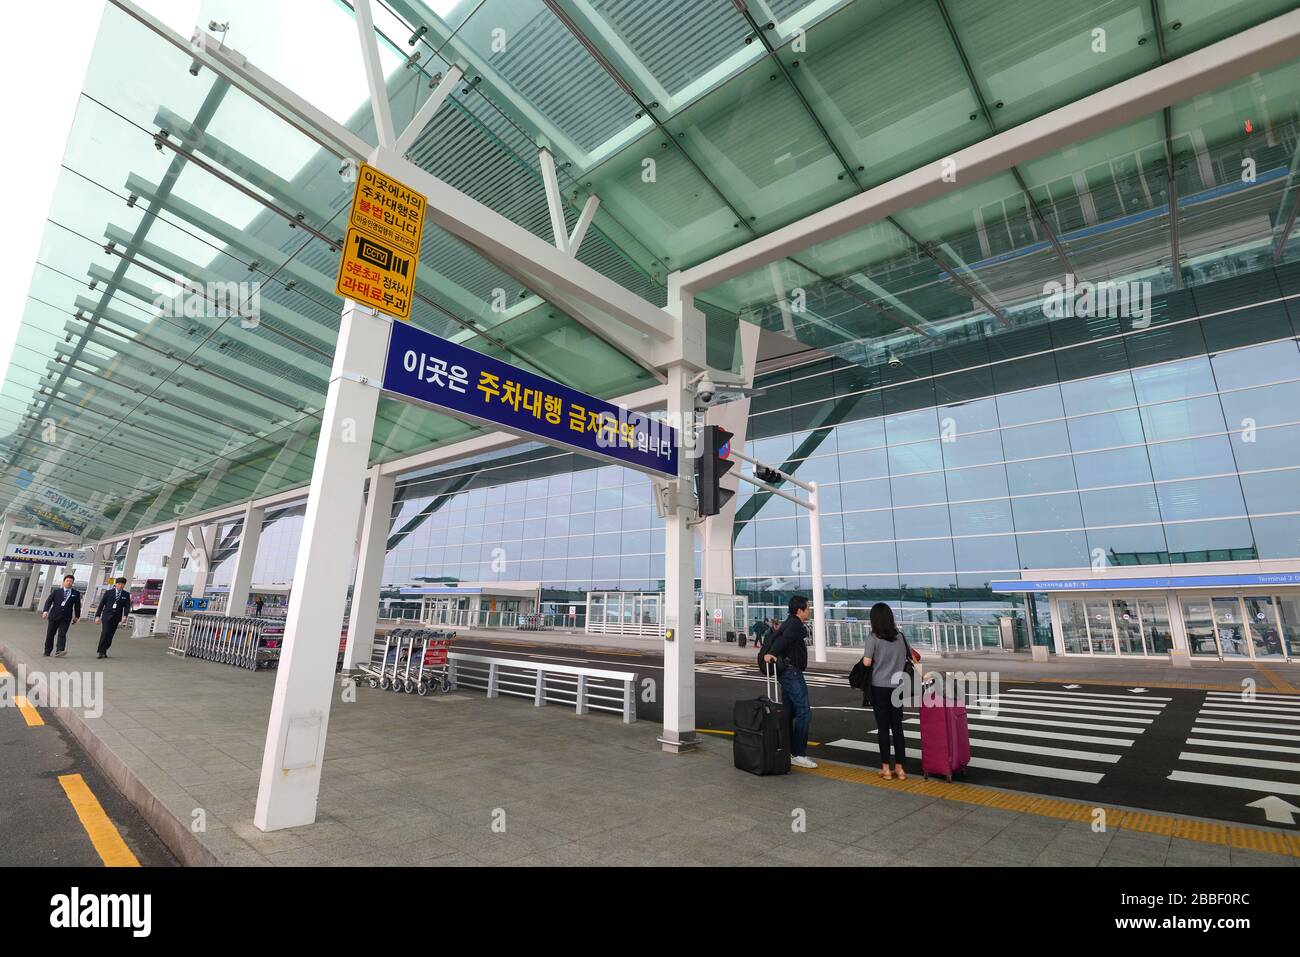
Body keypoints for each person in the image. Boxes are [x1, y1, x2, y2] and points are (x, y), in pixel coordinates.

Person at [860, 602, 920, 780]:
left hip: (879, 687)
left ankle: (886, 769)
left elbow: (866, 663)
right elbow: (913, 658)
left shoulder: (873, 638)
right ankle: (901, 769)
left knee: (883, 728)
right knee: (898, 727)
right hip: (898, 688)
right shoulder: (900, 636)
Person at [763, 595, 817, 769]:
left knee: (789, 711)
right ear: (800, 610)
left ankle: (786, 748)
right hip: (791, 672)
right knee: (804, 711)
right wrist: (771, 652)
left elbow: (784, 639)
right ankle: (798, 753)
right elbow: (783, 640)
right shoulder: (794, 623)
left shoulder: (791, 623)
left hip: (788, 672)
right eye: (807, 608)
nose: (809, 610)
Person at [41, 573, 81, 658]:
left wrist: (77, 617)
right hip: (54, 616)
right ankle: (47, 650)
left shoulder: (76, 593)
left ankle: (60, 650)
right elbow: (48, 601)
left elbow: (77, 605)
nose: (69, 582)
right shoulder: (56, 591)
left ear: (73, 583)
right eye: (67, 581)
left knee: (62, 634)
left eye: (71, 581)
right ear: (64, 582)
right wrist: (45, 611)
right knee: (50, 634)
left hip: (66, 617)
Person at [94, 577, 133, 660]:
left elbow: (127, 606)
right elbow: (101, 605)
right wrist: (97, 616)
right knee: (105, 632)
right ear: (116, 584)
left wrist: (125, 615)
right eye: (119, 584)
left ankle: (105, 650)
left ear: (124, 585)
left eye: (122, 584)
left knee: (110, 635)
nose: (120, 585)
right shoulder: (108, 593)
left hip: (116, 617)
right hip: (106, 616)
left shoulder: (126, 594)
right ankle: (100, 651)